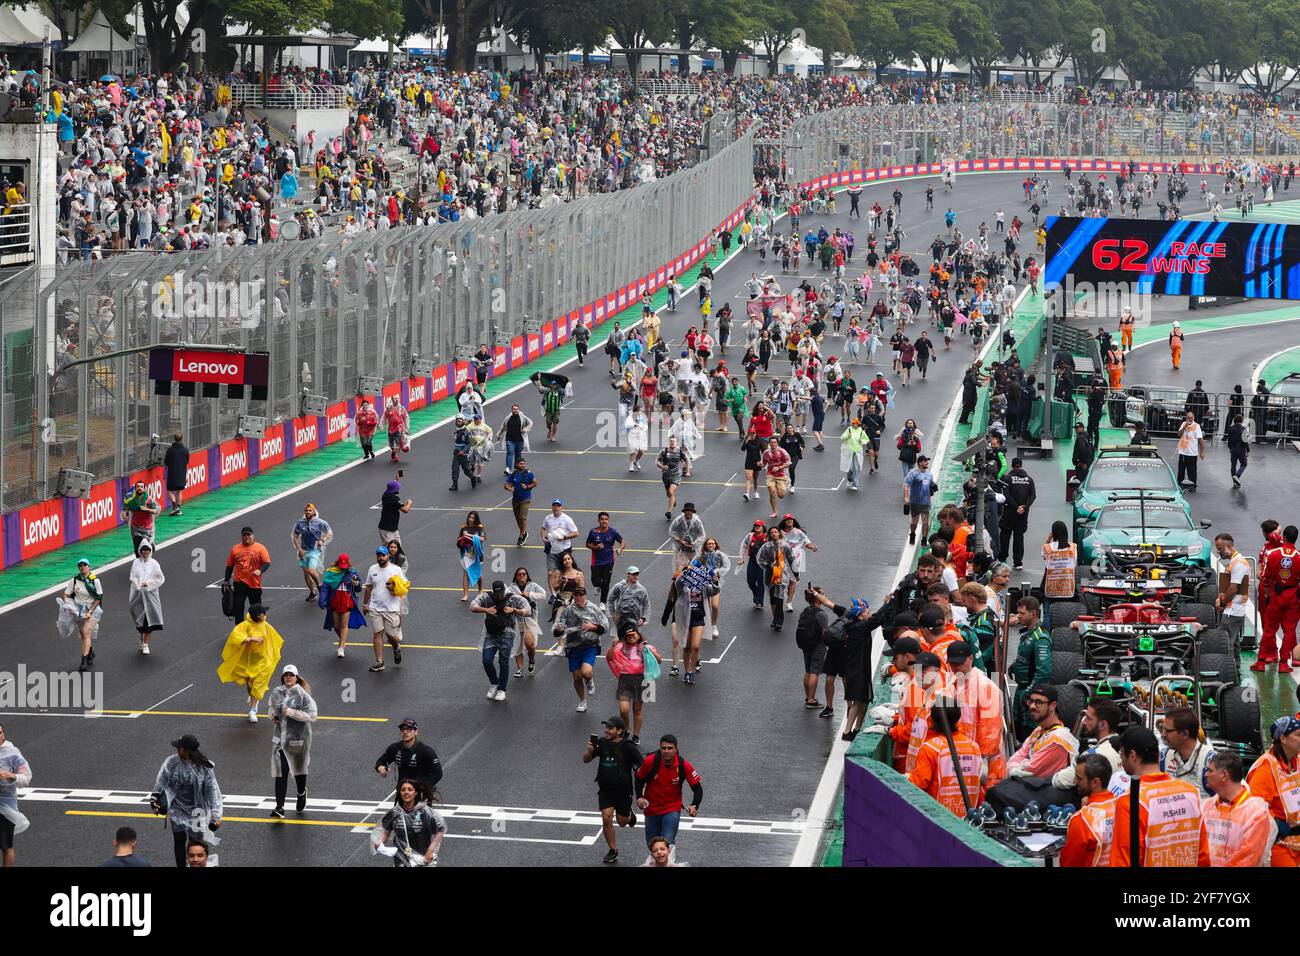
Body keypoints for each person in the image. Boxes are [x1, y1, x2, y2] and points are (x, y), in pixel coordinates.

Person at [1111, 726, 1211, 867]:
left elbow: (1123, 861)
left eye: (1121, 753)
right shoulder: (1191, 793)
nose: (1120, 758)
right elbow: (1203, 857)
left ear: (1132, 756)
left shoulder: (1131, 801)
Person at [150, 734, 223, 869]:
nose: (177, 749)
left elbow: (213, 791)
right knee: (178, 842)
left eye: (180, 747)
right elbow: (162, 780)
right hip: (177, 810)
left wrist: (215, 815)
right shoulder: (172, 762)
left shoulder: (204, 767)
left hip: (197, 812)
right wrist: (154, 797)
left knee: (195, 845)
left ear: (186, 750)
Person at [907, 697, 983, 818]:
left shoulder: (929, 749)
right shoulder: (974, 747)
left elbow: (917, 784)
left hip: (937, 820)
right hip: (968, 819)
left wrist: (906, 777)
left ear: (932, 720)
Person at [584, 715, 644, 864]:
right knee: (606, 818)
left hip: (623, 791)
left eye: (610, 728)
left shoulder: (628, 747)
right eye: (606, 727)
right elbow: (586, 760)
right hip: (606, 790)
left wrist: (642, 783)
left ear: (620, 730)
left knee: (622, 822)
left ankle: (630, 816)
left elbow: (642, 764)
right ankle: (613, 850)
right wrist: (590, 751)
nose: (606, 730)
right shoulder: (602, 743)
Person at [1203, 750, 1275, 867]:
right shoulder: (1206, 806)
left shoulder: (1256, 813)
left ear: (1224, 775)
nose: (1206, 774)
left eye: (1210, 770)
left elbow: (1248, 860)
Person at [947, 641, 1005, 785]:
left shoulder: (985, 687)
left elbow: (991, 729)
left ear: (971, 659)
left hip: (987, 767)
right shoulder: (952, 684)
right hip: (961, 758)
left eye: (960, 663)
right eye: (953, 664)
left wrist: (983, 759)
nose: (956, 668)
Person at [635, 735, 703, 855]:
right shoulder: (650, 761)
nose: (666, 751)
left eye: (670, 748)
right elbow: (639, 779)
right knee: (652, 845)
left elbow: (697, 789)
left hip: (671, 808)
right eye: (663, 748)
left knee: (667, 843)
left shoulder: (683, 765)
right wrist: (639, 797)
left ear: (676, 749)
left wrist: (694, 805)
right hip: (651, 809)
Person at [1246, 715, 1300, 867]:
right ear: (1283, 738)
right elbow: (1254, 808)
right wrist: (1278, 825)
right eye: (1298, 735)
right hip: (1280, 844)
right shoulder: (1266, 768)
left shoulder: (1297, 760)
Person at [217, 604, 284, 722]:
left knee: (258, 683)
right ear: (258, 616)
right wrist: (250, 639)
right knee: (249, 682)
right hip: (248, 660)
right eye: (263, 613)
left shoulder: (265, 625)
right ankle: (253, 697)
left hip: (263, 660)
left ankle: (253, 710)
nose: (265, 614)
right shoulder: (245, 625)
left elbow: (275, 638)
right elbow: (236, 637)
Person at [267, 665, 317, 818]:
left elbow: (312, 715)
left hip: (298, 740)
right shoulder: (277, 692)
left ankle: (301, 792)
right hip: (281, 741)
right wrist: (273, 716)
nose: (288, 677)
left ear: (296, 677)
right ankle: (279, 808)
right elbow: (271, 708)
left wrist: (291, 713)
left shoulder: (302, 695)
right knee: (281, 772)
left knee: (298, 772)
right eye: (286, 675)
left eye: (291, 675)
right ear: (282, 677)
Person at [471, 579, 529, 702]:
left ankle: (502, 689)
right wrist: (486, 610)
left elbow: (527, 609)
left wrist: (514, 610)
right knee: (486, 660)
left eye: (501, 593)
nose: (500, 596)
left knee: (504, 662)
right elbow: (472, 607)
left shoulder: (512, 598)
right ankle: (494, 683)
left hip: (507, 634)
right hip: (491, 634)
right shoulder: (487, 597)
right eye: (498, 594)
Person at [554, 586, 609, 712]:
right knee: (577, 677)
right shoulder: (568, 611)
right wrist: (559, 630)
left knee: (586, 672)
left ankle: (589, 681)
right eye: (576, 595)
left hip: (590, 645)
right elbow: (559, 627)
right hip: (573, 647)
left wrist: (593, 626)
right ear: (573, 597)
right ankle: (582, 701)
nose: (579, 597)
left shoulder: (594, 608)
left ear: (585, 596)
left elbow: (605, 625)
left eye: (581, 595)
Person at [1059, 753, 1118, 867]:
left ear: (1096, 782)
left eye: (1079, 778)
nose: (1074, 781)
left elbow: (1069, 863)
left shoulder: (1081, 820)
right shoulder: (1125, 807)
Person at [1255, 523, 1300, 674]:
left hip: (1276, 596)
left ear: (1285, 537)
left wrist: (1268, 595)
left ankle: (1261, 662)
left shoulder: (1272, 554)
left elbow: (1265, 578)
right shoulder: (1299, 556)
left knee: (1269, 629)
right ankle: (1283, 663)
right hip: (1293, 598)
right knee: (1289, 631)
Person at [375, 780, 446, 867]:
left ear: (416, 793)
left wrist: (431, 851)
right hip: (402, 858)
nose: (406, 792)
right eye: (403, 790)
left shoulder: (426, 812)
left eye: (410, 789)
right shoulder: (394, 812)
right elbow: (386, 833)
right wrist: (379, 842)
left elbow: (440, 830)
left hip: (423, 858)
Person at [607, 628, 659, 744]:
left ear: (638, 635)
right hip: (625, 680)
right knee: (624, 709)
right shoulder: (621, 646)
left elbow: (658, 660)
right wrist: (613, 646)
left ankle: (636, 735)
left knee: (637, 709)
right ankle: (627, 729)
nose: (631, 637)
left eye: (633, 635)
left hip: (642, 679)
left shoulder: (646, 647)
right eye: (628, 635)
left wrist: (649, 652)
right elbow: (610, 657)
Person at [1009, 597, 1052, 737]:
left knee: (1031, 731)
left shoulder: (1041, 639)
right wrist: (1015, 666)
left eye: (1021, 613)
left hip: (1031, 694)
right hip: (1021, 689)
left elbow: (1043, 672)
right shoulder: (1028, 634)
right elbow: (1027, 658)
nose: (1018, 616)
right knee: (1017, 727)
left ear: (1033, 614)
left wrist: (1030, 692)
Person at [363, 546, 407, 673]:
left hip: (391, 608)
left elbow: (403, 588)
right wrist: (365, 604)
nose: (380, 558)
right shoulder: (372, 569)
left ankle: (396, 647)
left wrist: (394, 588)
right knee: (377, 634)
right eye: (378, 555)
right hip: (375, 607)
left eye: (383, 555)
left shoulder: (396, 570)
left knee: (391, 635)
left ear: (388, 556)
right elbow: (369, 587)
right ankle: (379, 662)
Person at [375, 719, 444, 796]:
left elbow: (438, 773)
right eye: (402, 729)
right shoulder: (394, 748)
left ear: (416, 732)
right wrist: (380, 767)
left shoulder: (426, 751)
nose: (405, 732)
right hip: (403, 792)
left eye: (409, 729)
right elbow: (380, 762)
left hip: (421, 793)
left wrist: (423, 787)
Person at [60, 557, 103, 673]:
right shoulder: (74, 581)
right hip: (78, 610)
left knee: (85, 631)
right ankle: (90, 653)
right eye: (80, 566)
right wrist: (69, 605)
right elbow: (66, 594)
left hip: (92, 609)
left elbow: (99, 598)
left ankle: (83, 660)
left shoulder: (95, 580)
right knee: (84, 635)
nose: (82, 567)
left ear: (89, 567)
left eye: (85, 565)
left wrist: (90, 611)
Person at [1161, 707, 1215, 797]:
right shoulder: (1164, 756)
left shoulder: (1211, 761)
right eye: (1162, 729)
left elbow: (1235, 796)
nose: (1162, 734)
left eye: (1167, 731)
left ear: (1184, 734)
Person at [224, 526, 270, 623]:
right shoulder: (235, 549)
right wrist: (226, 580)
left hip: (254, 583)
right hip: (239, 583)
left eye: (248, 535)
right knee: (238, 607)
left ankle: (259, 627)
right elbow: (229, 565)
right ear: (241, 537)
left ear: (253, 536)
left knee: (257, 609)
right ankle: (240, 630)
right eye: (244, 535)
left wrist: (260, 570)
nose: (246, 537)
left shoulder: (260, 548)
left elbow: (267, 562)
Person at [1214, 534, 1251, 655]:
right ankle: (1235, 668)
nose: (1218, 552)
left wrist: (1222, 602)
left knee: (1224, 643)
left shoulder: (1238, 563)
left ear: (1228, 546)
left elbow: (1233, 589)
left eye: (1220, 548)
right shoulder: (1234, 561)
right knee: (1233, 642)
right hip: (1233, 609)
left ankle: (1226, 668)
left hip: (1232, 611)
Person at [0, 723, 31, 868]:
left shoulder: (12, 753)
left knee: (6, 846)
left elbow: (27, 777)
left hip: (5, 808)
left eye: (0, 733)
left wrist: (13, 777)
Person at [508, 566, 547, 677]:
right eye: (519, 574)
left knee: (530, 644)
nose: (522, 576)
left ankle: (531, 659)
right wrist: (516, 597)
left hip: (530, 619)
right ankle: (520, 669)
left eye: (524, 574)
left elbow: (543, 595)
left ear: (527, 575)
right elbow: (506, 597)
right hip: (516, 619)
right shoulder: (511, 588)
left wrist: (529, 594)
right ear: (516, 576)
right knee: (518, 644)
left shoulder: (533, 586)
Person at [128, 541, 165, 655]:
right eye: (143, 550)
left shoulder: (154, 564)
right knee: (139, 619)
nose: (145, 552)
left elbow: (160, 579)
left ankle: (145, 644)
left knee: (148, 621)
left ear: (150, 551)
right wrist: (137, 583)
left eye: (147, 550)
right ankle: (141, 636)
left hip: (150, 596)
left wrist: (148, 583)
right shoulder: (136, 562)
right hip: (137, 595)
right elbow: (132, 576)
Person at [757, 526, 796, 631]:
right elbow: (760, 560)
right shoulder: (766, 547)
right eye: (772, 532)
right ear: (770, 535)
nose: (774, 533)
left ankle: (779, 621)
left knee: (780, 597)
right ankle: (775, 618)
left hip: (782, 575)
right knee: (773, 598)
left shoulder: (785, 545)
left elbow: (791, 558)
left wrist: (795, 573)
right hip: (770, 575)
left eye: (776, 532)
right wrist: (769, 565)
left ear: (779, 533)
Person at [292, 503, 333, 601]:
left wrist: (322, 540)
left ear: (314, 512)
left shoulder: (320, 522)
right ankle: (312, 593)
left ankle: (320, 586)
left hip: (315, 551)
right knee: (306, 574)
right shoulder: (300, 523)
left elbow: (329, 532)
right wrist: (299, 549)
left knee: (311, 570)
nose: (308, 512)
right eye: (306, 510)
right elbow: (295, 536)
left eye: (310, 510)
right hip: (303, 551)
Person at [999, 458, 1036, 569]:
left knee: (1005, 535)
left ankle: (1002, 559)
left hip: (1010, 512)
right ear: (1021, 465)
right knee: (1019, 537)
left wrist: (1016, 507)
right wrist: (1024, 507)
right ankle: (1018, 562)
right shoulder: (1029, 480)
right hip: (1023, 514)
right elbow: (1032, 495)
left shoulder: (1008, 478)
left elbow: (1006, 495)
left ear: (1012, 465)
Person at [586, 511, 625, 606]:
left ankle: (602, 602)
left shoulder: (613, 532)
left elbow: (622, 540)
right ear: (599, 520)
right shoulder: (593, 532)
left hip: (609, 561)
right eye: (602, 519)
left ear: (608, 521)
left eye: (606, 519)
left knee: (606, 582)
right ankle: (597, 586)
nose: (604, 521)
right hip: (596, 561)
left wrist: (620, 549)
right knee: (595, 581)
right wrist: (596, 547)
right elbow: (587, 544)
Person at [121, 478, 161, 558]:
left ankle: (151, 545)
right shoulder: (129, 499)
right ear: (135, 488)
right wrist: (125, 514)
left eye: (141, 487)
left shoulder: (148, 500)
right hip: (135, 526)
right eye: (138, 486)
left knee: (149, 548)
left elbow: (157, 510)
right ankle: (139, 563)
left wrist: (147, 509)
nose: (139, 488)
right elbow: (124, 510)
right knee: (137, 547)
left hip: (148, 527)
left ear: (144, 489)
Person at [903, 455, 936, 546]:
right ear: (920, 463)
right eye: (925, 461)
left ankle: (924, 540)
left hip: (926, 501)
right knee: (915, 521)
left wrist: (932, 488)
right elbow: (906, 485)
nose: (927, 463)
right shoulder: (913, 473)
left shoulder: (929, 474)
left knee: (925, 521)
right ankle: (912, 534)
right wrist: (906, 497)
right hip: (915, 501)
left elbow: (930, 485)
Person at [656, 435, 691, 520]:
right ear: (669, 442)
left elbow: (687, 461)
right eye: (671, 441)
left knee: (671, 492)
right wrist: (661, 466)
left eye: (674, 441)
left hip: (676, 474)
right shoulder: (664, 451)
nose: (672, 442)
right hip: (666, 475)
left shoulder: (680, 452)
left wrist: (687, 472)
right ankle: (673, 500)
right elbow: (657, 460)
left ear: (676, 443)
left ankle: (669, 512)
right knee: (669, 494)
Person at [504, 457, 537, 546]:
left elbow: (535, 483)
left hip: (525, 499)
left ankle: (521, 536)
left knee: (522, 517)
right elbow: (506, 485)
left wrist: (527, 487)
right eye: (521, 464)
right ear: (517, 465)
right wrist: (510, 489)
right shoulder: (513, 474)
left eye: (524, 464)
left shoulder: (529, 474)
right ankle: (524, 532)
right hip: (515, 500)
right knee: (518, 519)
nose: (522, 465)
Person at [760, 435, 793, 520]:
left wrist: (779, 467)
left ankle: (786, 484)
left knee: (781, 495)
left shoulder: (782, 451)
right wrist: (760, 464)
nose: (773, 444)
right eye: (771, 442)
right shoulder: (766, 452)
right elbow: (764, 463)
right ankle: (774, 512)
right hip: (770, 475)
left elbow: (788, 463)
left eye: (775, 442)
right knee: (772, 492)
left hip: (781, 475)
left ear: (777, 443)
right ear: (769, 443)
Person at [668, 503, 706, 575]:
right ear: (684, 511)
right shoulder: (678, 520)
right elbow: (671, 532)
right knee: (680, 568)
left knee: (695, 568)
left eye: (690, 510)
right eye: (687, 510)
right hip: (681, 549)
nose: (688, 512)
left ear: (693, 512)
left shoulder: (697, 522)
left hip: (693, 549)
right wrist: (679, 540)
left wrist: (694, 543)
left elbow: (702, 535)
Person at [458, 511, 486, 601]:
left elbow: (482, 538)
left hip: (476, 554)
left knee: (478, 572)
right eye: (470, 517)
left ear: (476, 519)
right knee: (466, 573)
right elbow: (458, 539)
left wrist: (469, 535)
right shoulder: (464, 527)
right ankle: (465, 595)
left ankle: (480, 590)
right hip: (466, 554)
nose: (471, 519)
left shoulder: (479, 528)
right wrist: (463, 538)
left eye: (473, 518)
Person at [498, 403, 533, 473]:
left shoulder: (522, 417)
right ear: (512, 410)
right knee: (510, 453)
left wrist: (525, 429)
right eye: (514, 409)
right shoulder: (508, 418)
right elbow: (503, 427)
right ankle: (508, 468)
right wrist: (499, 434)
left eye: (516, 409)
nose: (515, 410)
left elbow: (530, 423)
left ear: (519, 410)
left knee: (518, 454)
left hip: (520, 440)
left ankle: (517, 468)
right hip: (509, 439)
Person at [377, 479, 412, 547]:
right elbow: (405, 510)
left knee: (398, 548)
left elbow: (392, 484)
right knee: (391, 550)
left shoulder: (385, 495)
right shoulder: (393, 500)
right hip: (387, 530)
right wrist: (409, 503)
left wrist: (397, 478)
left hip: (392, 528)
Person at [1175, 410, 1205, 489]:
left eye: (1191, 417)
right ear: (1186, 418)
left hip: (1192, 453)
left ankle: (1192, 486)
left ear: (1194, 418)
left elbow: (1201, 440)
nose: (1190, 419)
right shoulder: (1183, 424)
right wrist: (1184, 427)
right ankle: (1179, 485)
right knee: (1181, 470)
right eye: (1188, 417)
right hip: (1183, 452)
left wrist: (1202, 452)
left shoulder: (1196, 426)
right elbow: (1179, 434)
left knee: (1192, 471)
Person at [163, 432, 189, 515]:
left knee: (169, 490)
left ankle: (174, 506)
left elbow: (166, 462)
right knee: (179, 491)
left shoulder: (170, 450)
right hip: (182, 473)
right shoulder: (185, 450)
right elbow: (187, 462)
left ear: (174, 438)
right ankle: (178, 508)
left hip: (172, 473)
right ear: (182, 439)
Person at [384, 395, 411, 462]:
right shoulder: (389, 408)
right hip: (390, 429)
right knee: (391, 444)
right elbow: (384, 416)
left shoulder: (401, 408)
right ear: (392, 400)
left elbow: (406, 417)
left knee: (397, 442)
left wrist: (407, 428)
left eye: (397, 398)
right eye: (394, 398)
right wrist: (381, 424)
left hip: (400, 428)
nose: (396, 399)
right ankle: (393, 451)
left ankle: (396, 455)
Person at [1226, 413, 1249, 486]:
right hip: (1241, 448)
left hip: (1233, 448)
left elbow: (1229, 440)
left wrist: (1230, 448)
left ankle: (1234, 481)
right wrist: (1247, 450)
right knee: (1244, 464)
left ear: (1234, 420)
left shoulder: (1230, 428)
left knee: (1233, 465)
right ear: (1242, 420)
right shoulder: (1243, 429)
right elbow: (1245, 441)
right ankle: (1237, 475)